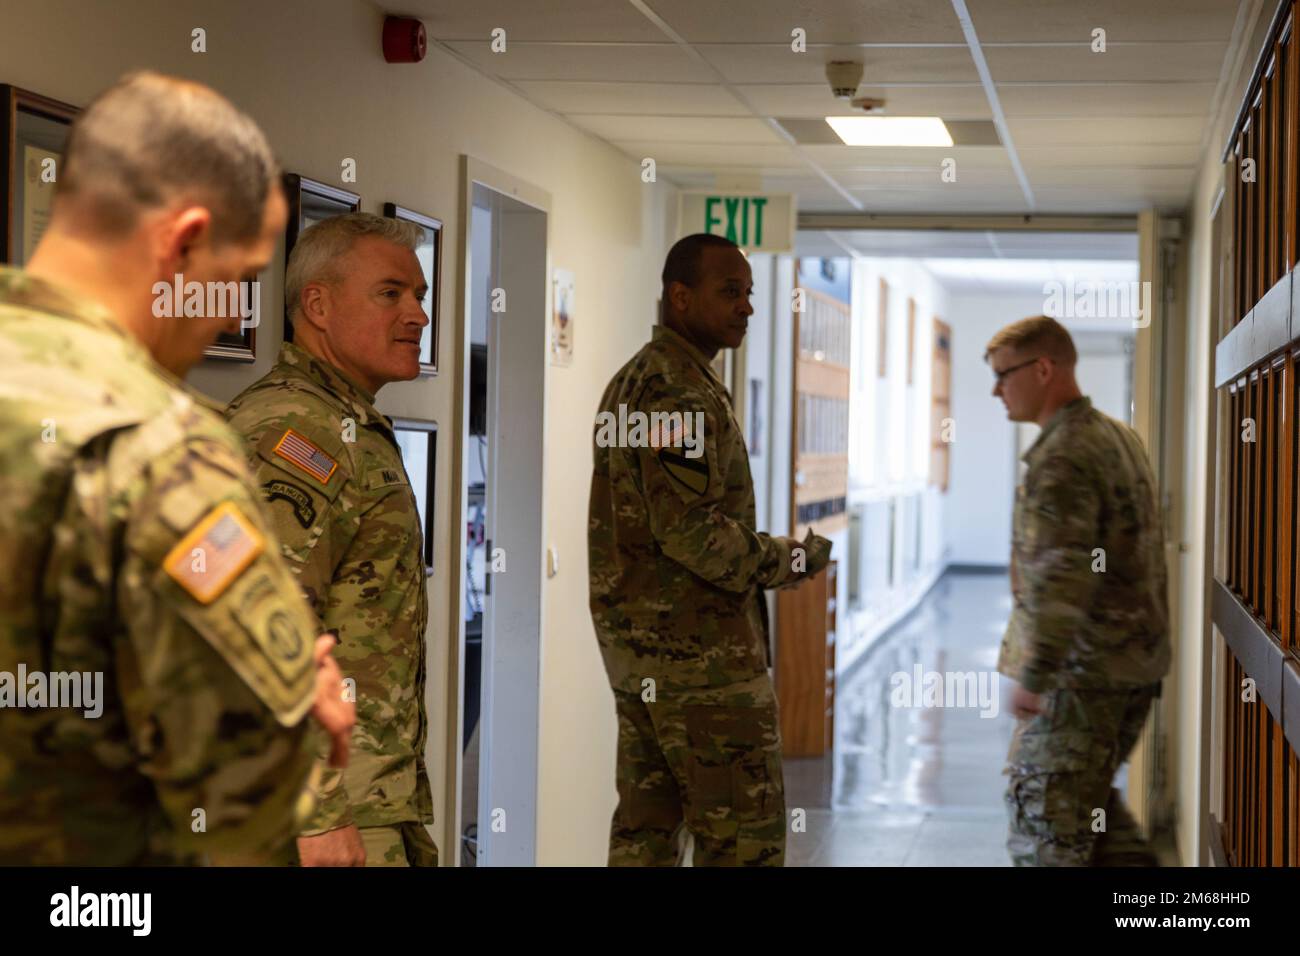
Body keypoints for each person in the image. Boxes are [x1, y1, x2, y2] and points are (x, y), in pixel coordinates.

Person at [0, 71, 353, 866]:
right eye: (238, 280)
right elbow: (242, 787)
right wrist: (301, 710)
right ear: (184, 240)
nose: (233, 315)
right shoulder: (159, 448)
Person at [588, 233, 832, 866]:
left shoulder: (637, 380)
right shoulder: (677, 391)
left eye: (748, 294)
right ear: (680, 295)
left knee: (645, 836)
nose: (746, 307)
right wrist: (789, 559)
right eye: (730, 292)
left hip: (645, 662)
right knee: (742, 843)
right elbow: (691, 533)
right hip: (703, 670)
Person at [225, 213, 435, 867]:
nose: (419, 316)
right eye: (391, 293)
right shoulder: (297, 429)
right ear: (318, 305)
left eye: (421, 296)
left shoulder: (341, 420)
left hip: (369, 802)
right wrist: (314, 811)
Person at [987, 315, 1170, 866]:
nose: (996, 389)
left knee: (1047, 832)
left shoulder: (1063, 456)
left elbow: (1062, 580)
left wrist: (1035, 676)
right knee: (1093, 818)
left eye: (1003, 375)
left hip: (1080, 679)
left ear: (1043, 368)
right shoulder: (1116, 435)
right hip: (1128, 670)